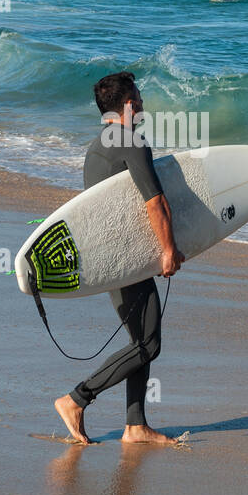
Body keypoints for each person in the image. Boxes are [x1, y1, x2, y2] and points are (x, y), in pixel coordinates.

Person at [54, 72, 184, 445]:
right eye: (139, 98)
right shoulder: (131, 140)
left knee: (139, 339)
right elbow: (154, 201)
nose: (143, 103)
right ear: (129, 105)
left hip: (106, 254)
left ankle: (136, 425)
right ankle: (76, 399)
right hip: (123, 257)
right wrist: (168, 250)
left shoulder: (98, 145)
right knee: (149, 345)